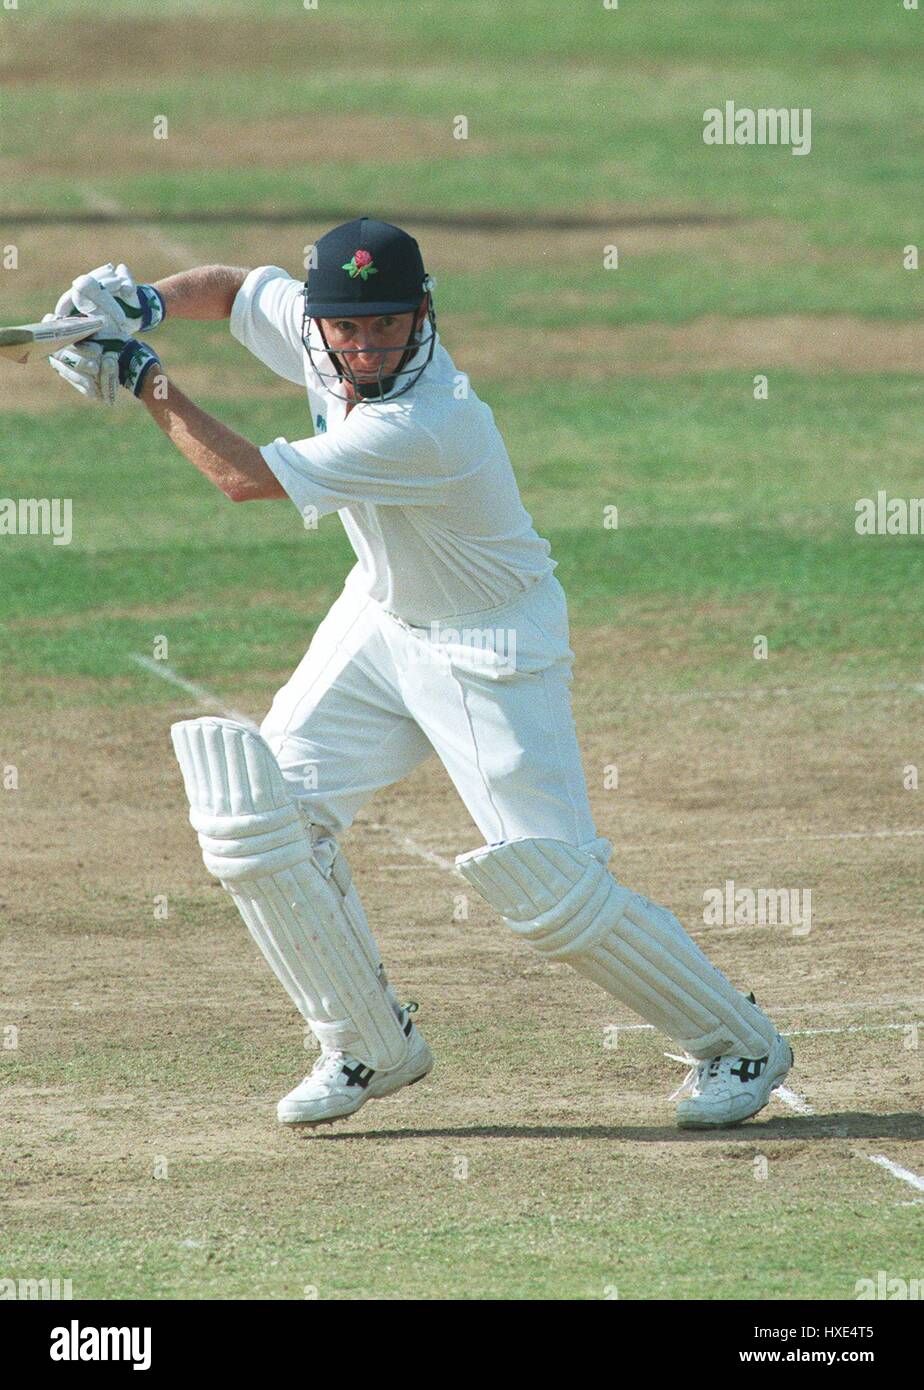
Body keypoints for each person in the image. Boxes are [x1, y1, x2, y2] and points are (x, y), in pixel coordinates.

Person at [48, 217, 794, 1130]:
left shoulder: (430, 424)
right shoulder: (327, 337)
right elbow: (242, 289)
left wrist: (143, 375)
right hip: (383, 614)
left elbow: (244, 480)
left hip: (488, 643)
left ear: (424, 312)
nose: (367, 346)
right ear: (325, 322)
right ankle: (367, 1042)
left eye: (389, 325)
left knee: (552, 893)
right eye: (349, 329)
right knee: (258, 817)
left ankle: (737, 1040)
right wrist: (152, 300)